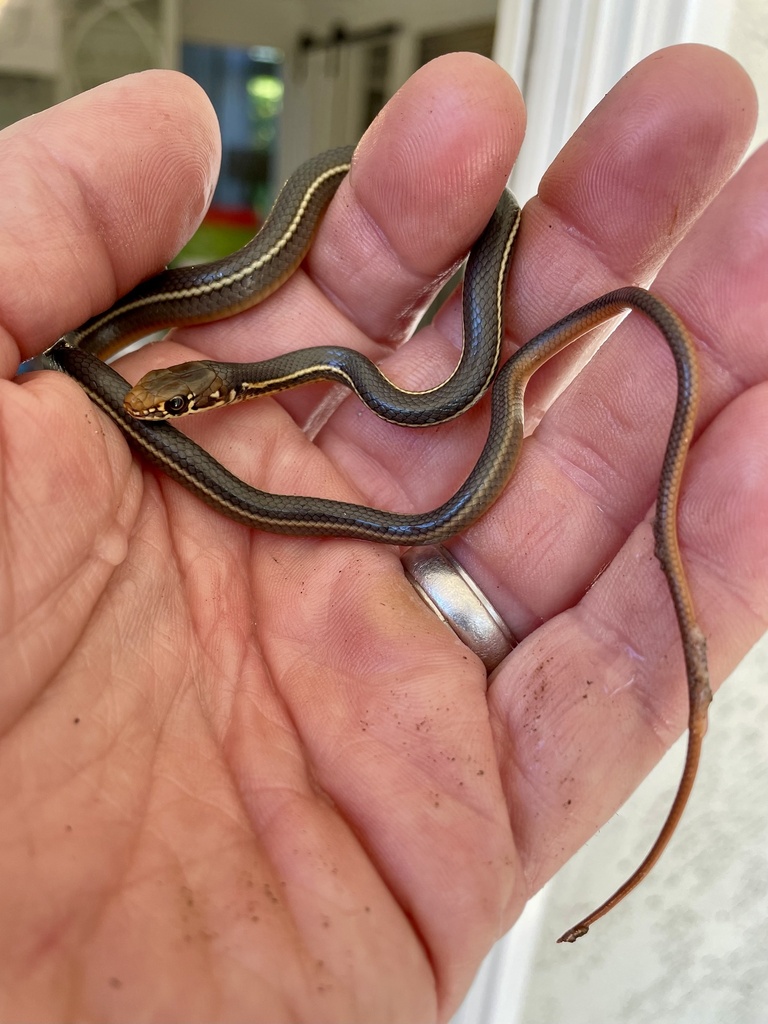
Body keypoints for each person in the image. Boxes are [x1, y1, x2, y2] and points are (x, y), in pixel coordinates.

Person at [2, 45, 765, 1022]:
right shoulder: (267, 374)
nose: (165, 409)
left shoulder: (336, 372)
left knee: (461, 382)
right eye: (169, 408)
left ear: (221, 395)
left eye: (179, 405)